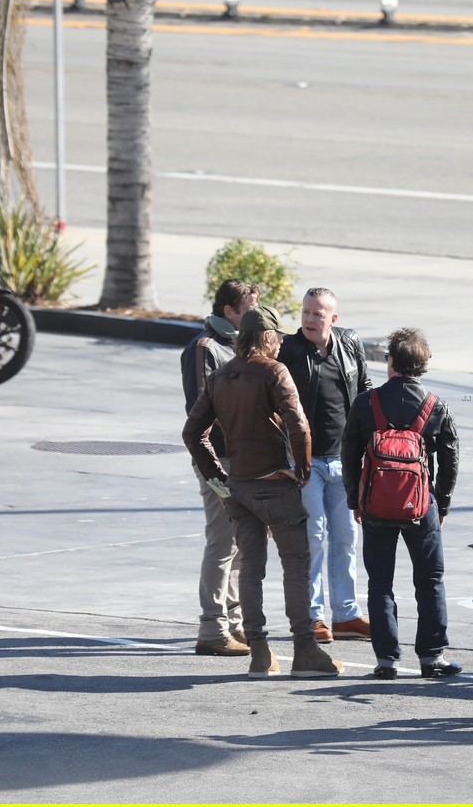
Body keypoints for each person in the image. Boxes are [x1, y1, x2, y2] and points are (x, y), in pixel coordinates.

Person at [183, 305, 343, 679]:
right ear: (269, 338)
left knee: (252, 568)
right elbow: (299, 426)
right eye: (278, 337)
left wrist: (219, 478)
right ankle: (305, 650)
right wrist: (301, 472)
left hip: (238, 486)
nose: (281, 344)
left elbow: (193, 433)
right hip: (273, 483)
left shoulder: (221, 376)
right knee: (296, 564)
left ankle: (259, 652)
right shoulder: (274, 371)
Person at [342, 327, 461, 680]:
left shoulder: (367, 403)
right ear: (423, 364)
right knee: (430, 580)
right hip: (421, 505)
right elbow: (451, 460)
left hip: (376, 504)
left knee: (380, 582)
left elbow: (349, 454)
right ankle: (432, 657)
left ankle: (387, 661)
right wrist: (442, 504)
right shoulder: (436, 405)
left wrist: (355, 500)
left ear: (391, 361)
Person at [278, 287, 372, 646]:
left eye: (318, 314)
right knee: (313, 538)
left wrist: (369, 446)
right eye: (306, 312)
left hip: (344, 461)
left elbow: (364, 392)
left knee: (346, 538)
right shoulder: (289, 350)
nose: (309, 319)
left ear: (333, 318)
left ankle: (346, 615)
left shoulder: (349, 344)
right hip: (306, 462)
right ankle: (313, 615)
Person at [180, 279, 259, 657]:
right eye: (250, 309)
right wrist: (217, 466)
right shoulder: (205, 348)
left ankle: (234, 622)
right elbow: (201, 412)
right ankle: (212, 628)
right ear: (229, 311)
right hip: (218, 460)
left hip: (241, 458)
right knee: (223, 541)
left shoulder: (237, 346)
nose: (255, 316)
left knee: (241, 544)